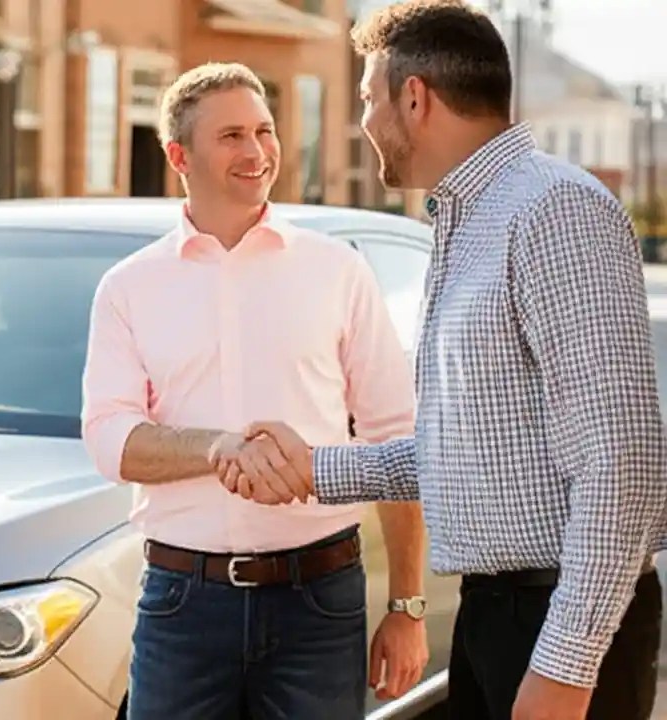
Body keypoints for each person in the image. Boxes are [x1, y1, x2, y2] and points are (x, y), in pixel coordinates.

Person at [219, 2, 667, 719]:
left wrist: (566, 665)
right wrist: (312, 468)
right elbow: (465, 454)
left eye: (368, 98)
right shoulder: (471, 219)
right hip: (497, 613)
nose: (364, 120)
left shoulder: (554, 209)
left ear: (415, 97)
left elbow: (624, 463)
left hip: (557, 624)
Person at [80, 61, 429, 720]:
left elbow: (395, 437)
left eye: (265, 131)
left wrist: (407, 606)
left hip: (319, 599)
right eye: (233, 135)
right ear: (178, 154)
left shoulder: (337, 270)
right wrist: (220, 448)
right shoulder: (129, 288)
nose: (258, 151)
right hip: (183, 602)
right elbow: (108, 439)